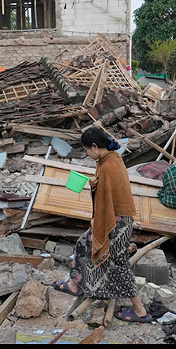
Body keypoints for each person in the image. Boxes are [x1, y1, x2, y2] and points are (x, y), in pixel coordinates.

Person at [51, 127, 153, 323]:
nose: (88, 155)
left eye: (87, 150)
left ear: (95, 147)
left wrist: (97, 220)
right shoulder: (112, 158)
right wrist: (95, 184)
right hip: (117, 218)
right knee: (83, 244)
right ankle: (74, 284)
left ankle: (140, 311)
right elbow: (108, 191)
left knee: (118, 264)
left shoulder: (107, 166)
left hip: (117, 222)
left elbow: (106, 200)